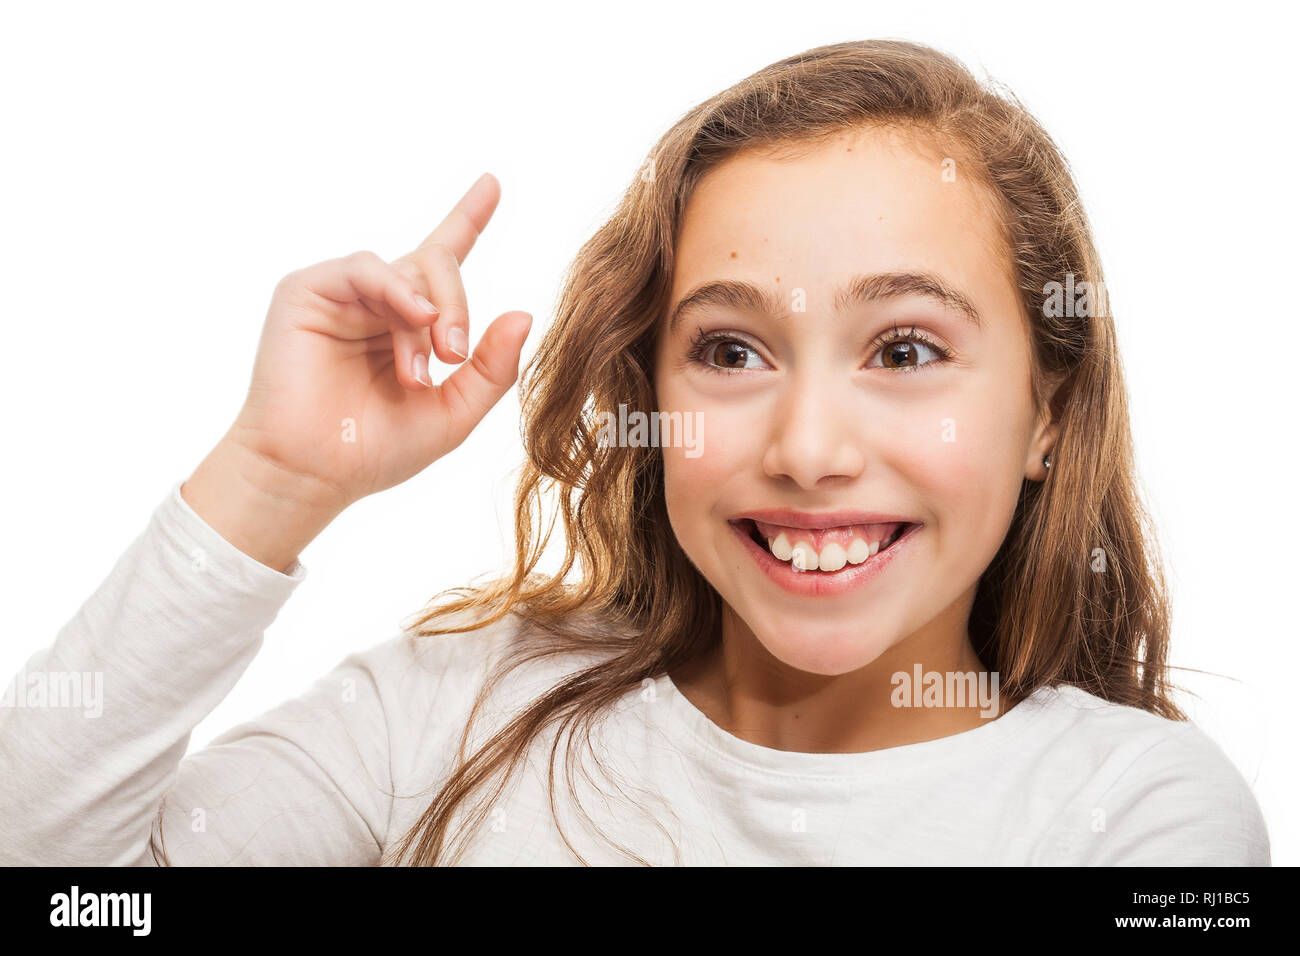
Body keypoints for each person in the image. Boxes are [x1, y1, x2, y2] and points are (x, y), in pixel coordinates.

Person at [0, 39, 1270, 866]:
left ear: (1048, 410)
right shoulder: (443, 718)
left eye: (901, 350)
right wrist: (273, 478)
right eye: (731, 351)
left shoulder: (1145, 820)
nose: (809, 448)